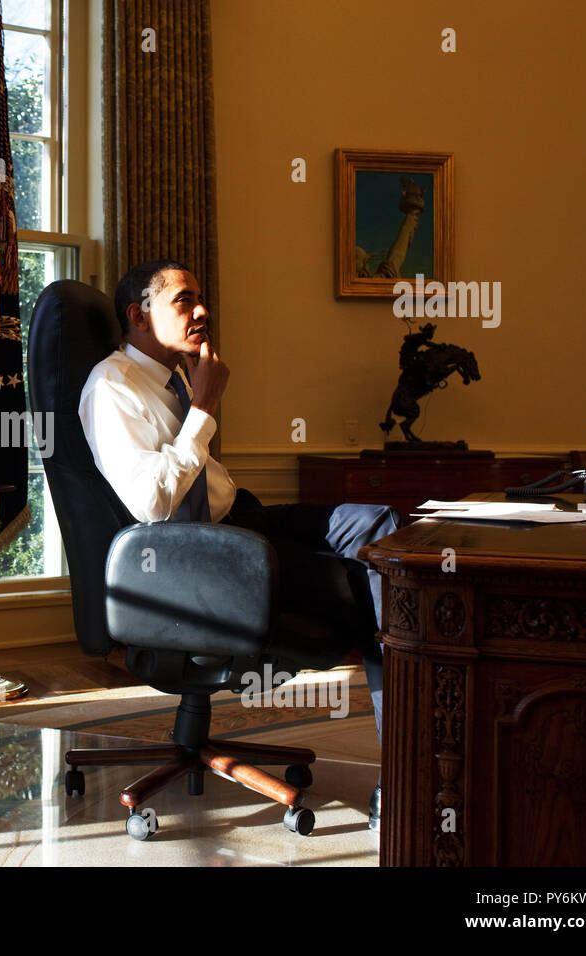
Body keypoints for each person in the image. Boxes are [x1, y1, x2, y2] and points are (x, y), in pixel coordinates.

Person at [78, 258, 398, 828]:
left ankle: (411, 727)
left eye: (201, 298)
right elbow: (153, 504)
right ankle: (406, 770)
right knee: (372, 587)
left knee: (379, 528)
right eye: (183, 300)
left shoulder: (172, 376)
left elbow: (203, 483)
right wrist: (203, 409)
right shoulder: (111, 387)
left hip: (241, 521)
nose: (202, 311)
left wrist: (195, 399)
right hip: (197, 561)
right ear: (139, 315)